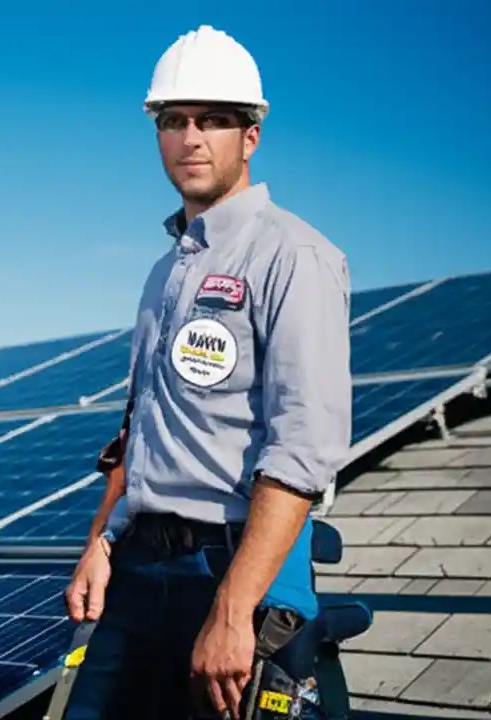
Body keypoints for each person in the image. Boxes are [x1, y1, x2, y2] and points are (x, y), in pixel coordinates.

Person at [61, 25, 352, 720]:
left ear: (250, 136)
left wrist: (233, 607)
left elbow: (303, 449)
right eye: (174, 121)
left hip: (224, 572)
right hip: (139, 573)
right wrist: (101, 541)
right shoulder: (167, 272)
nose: (191, 137)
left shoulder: (295, 257)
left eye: (214, 120)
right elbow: (141, 429)